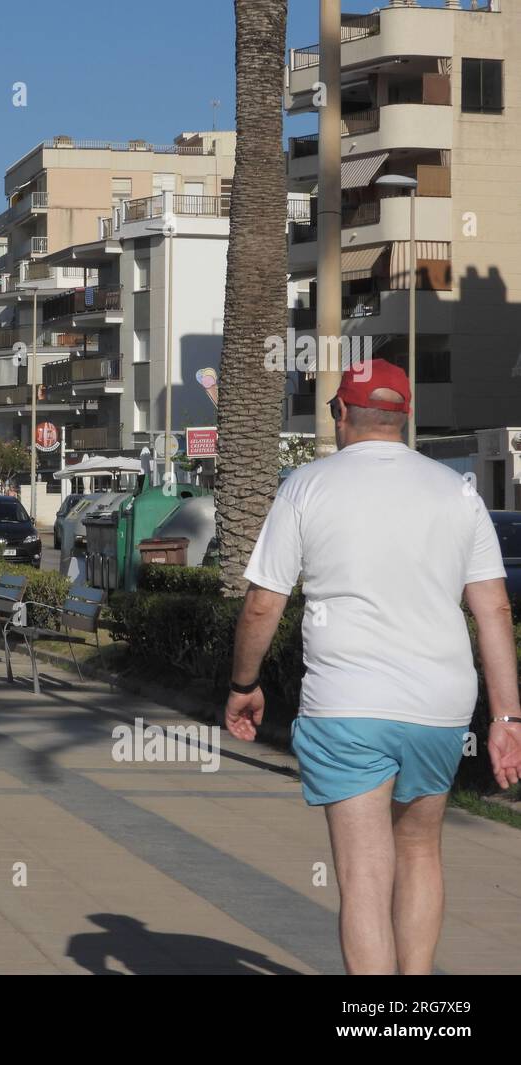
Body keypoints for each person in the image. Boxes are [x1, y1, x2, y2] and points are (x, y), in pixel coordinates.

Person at [226, 359, 521, 976]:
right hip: (440, 707)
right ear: (404, 416)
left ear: (341, 414)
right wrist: (506, 716)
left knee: (364, 876)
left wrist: (243, 686)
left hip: (348, 705)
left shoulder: (306, 485)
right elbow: (492, 605)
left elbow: (262, 604)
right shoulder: (456, 490)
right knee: (419, 852)